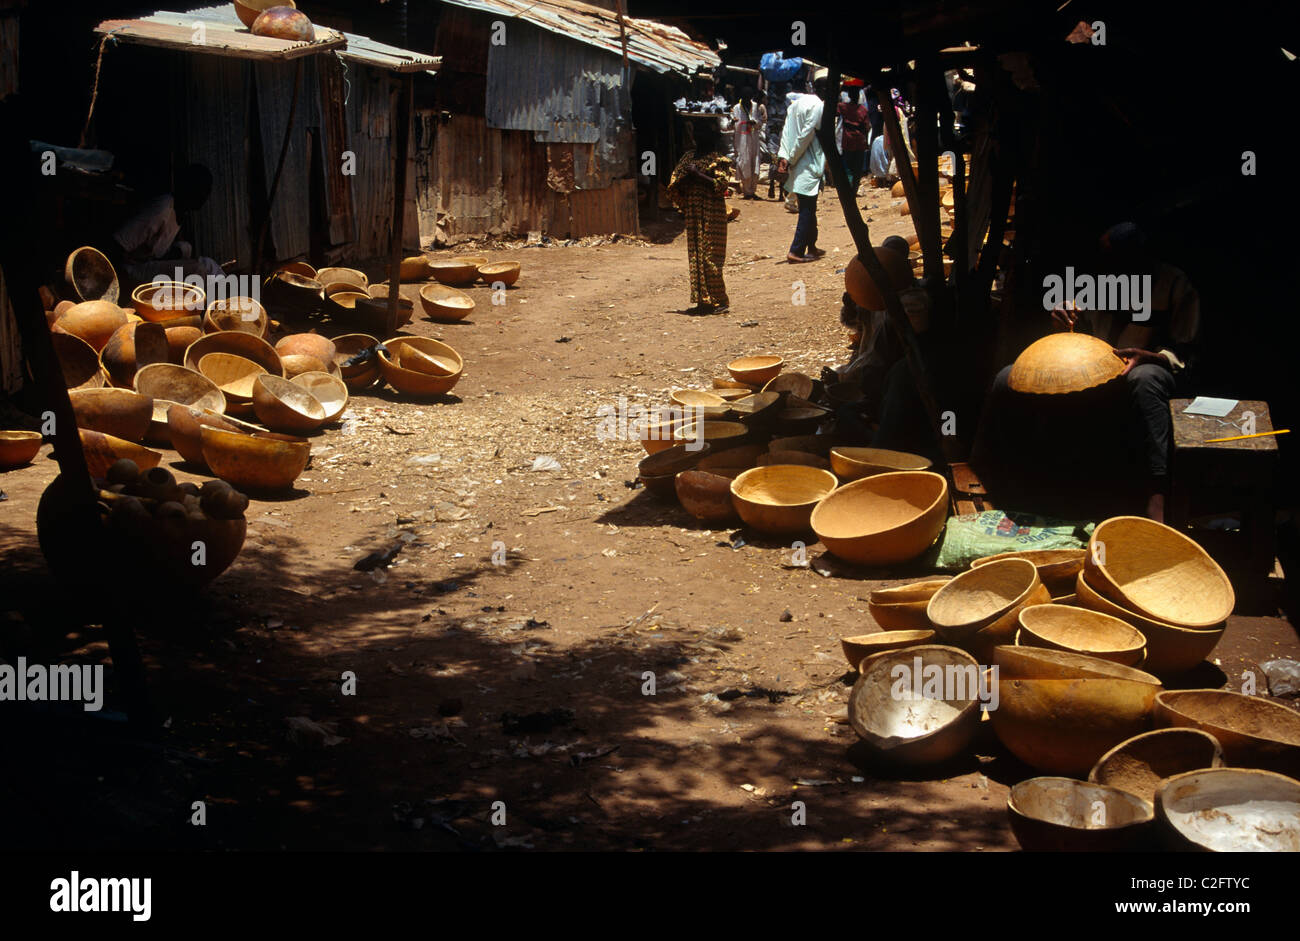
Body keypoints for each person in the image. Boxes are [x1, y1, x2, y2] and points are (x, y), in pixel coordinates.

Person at [973, 222, 1201, 520]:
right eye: (1108, 263)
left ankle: (1156, 494)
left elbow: (1188, 351)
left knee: (1144, 378)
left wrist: (1152, 357)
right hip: (1092, 370)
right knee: (1009, 376)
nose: (1111, 271)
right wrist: (1063, 318)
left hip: (1146, 370)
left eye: (1122, 264)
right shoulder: (1097, 281)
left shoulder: (1174, 284)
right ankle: (983, 474)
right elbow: (1079, 331)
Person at [112, 163, 223, 286]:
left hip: (151, 261)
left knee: (189, 250)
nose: (205, 196)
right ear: (189, 187)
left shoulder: (181, 211)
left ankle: (226, 288)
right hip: (133, 269)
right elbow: (118, 243)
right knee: (200, 270)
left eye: (208, 191)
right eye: (202, 189)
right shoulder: (161, 210)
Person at [667, 119, 733, 315]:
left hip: (712, 212)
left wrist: (698, 174)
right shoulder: (688, 157)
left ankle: (720, 301)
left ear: (712, 134)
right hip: (694, 212)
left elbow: (722, 186)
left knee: (711, 256)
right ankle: (703, 300)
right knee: (696, 255)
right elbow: (674, 183)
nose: (697, 136)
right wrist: (686, 177)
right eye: (695, 132)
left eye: (702, 131)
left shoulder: (719, 159)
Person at [776, 70, 828, 263]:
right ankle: (796, 250)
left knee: (809, 206)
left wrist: (784, 156)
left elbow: (786, 131)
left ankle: (811, 245)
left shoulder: (797, 104)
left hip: (797, 162)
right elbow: (805, 136)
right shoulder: (819, 106)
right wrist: (790, 158)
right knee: (807, 209)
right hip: (807, 164)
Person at [731, 89, 767, 199]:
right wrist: (735, 122)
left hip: (754, 139)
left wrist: (754, 123)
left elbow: (760, 122)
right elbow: (731, 124)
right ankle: (747, 191)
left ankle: (752, 191)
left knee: (755, 163)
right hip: (742, 140)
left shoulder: (755, 107)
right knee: (744, 163)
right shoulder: (736, 108)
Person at [836, 87, 870, 195]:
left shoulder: (843, 107)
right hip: (860, 142)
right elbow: (867, 126)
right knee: (857, 168)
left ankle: (848, 189)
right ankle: (854, 189)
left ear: (849, 96)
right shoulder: (863, 110)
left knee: (847, 167)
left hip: (848, 141)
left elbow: (835, 111)